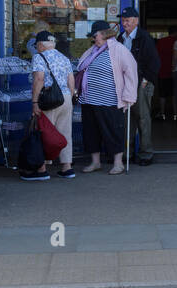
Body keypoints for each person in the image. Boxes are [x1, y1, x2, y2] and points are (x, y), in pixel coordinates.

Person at [74, 21, 138, 174]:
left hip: (110, 100)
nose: (93, 39)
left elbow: (131, 73)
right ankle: (95, 162)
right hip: (89, 100)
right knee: (91, 132)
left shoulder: (119, 50)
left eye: (94, 36)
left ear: (104, 34)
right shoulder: (93, 50)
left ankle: (118, 163)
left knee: (113, 131)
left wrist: (128, 96)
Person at [25, 31, 77, 180]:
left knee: (45, 132)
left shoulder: (38, 57)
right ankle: (67, 167)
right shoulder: (64, 58)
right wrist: (70, 97)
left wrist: (35, 102)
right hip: (66, 97)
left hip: (49, 98)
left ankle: (42, 169)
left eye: (36, 45)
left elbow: (39, 79)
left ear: (41, 45)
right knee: (65, 132)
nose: (36, 48)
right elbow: (71, 80)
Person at [117, 6, 158, 165]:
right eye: (123, 20)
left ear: (136, 21)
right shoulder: (120, 38)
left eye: (127, 20)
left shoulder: (144, 37)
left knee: (143, 119)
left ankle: (146, 154)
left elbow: (154, 62)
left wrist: (145, 81)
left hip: (141, 84)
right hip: (125, 85)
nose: (124, 23)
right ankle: (127, 153)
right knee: (127, 120)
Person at [155, 27, 177, 120]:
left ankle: (162, 113)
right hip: (175, 71)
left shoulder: (161, 42)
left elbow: (155, 56)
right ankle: (176, 114)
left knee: (162, 94)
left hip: (162, 71)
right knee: (174, 94)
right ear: (176, 33)